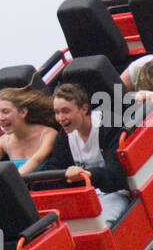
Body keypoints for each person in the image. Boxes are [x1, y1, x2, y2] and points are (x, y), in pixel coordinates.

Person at [43, 82, 131, 226]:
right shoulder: (65, 136)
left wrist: (88, 174)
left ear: (84, 109)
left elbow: (116, 175)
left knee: (97, 226)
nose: (60, 118)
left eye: (65, 111)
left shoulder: (108, 126)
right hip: (85, 198)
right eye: (57, 112)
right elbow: (54, 167)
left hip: (115, 193)